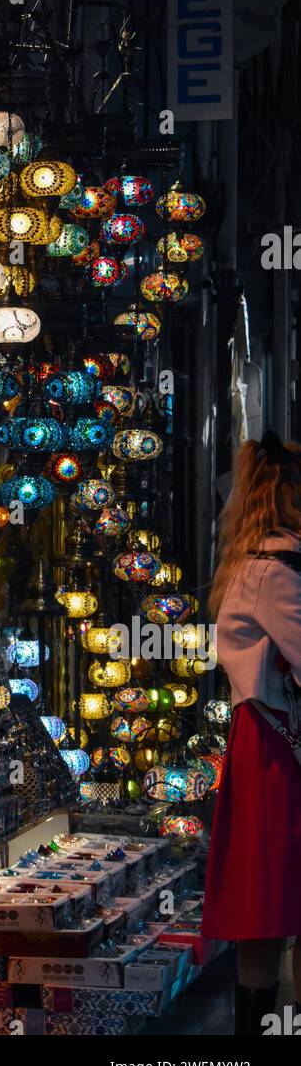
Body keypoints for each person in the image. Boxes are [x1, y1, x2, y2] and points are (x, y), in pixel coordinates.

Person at [203, 431, 301, 1035]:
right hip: (276, 750)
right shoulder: (274, 570)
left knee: (267, 908)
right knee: (269, 907)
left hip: (268, 744)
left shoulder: (260, 564)